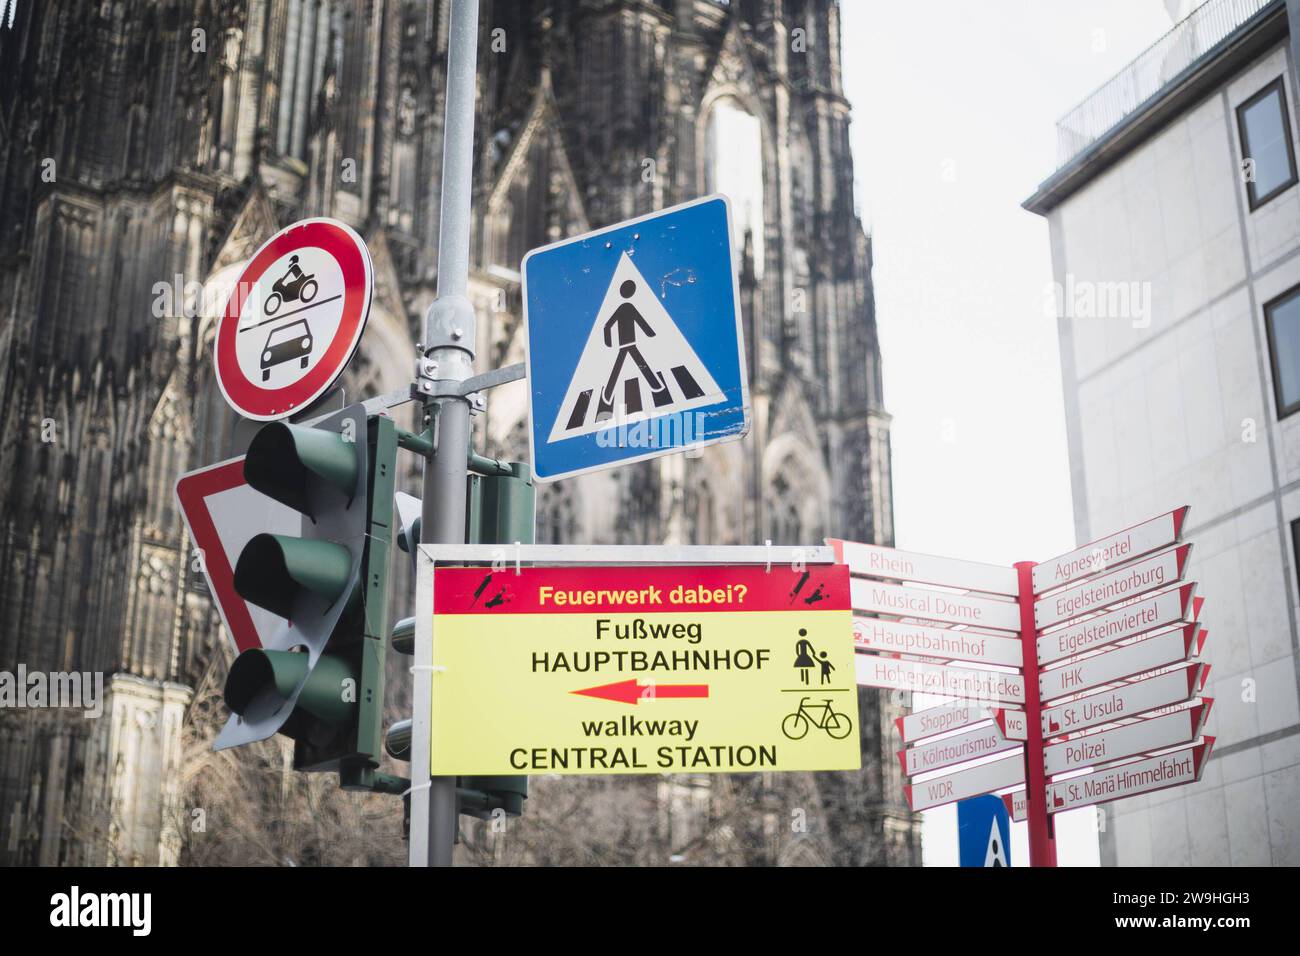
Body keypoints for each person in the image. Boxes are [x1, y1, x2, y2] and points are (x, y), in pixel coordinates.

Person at [601, 280, 667, 404]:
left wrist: (609, 342)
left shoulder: (622, 308)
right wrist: (650, 333)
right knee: (630, 366)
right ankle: (656, 385)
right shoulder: (628, 307)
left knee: (622, 367)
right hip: (630, 343)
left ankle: (608, 395)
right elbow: (640, 321)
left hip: (625, 344)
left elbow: (607, 326)